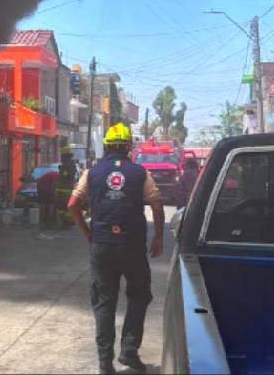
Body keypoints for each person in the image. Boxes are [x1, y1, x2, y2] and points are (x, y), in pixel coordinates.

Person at [68, 123, 165, 374]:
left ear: (107, 146)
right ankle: (129, 351)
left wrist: (88, 232)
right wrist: (158, 239)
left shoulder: (92, 173)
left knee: (104, 302)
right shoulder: (140, 173)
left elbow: (72, 204)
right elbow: (156, 204)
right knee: (139, 296)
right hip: (132, 246)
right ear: (129, 147)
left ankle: (104, 362)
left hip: (103, 246)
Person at [56, 146, 78, 228]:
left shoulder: (67, 163)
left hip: (64, 188)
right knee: (65, 207)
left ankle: (66, 223)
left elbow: (66, 174)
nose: (61, 157)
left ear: (65, 155)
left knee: (62, 207)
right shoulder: (71, 163)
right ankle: (68, 222)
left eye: (62, 155)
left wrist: (61, 170)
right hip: (67, 187)